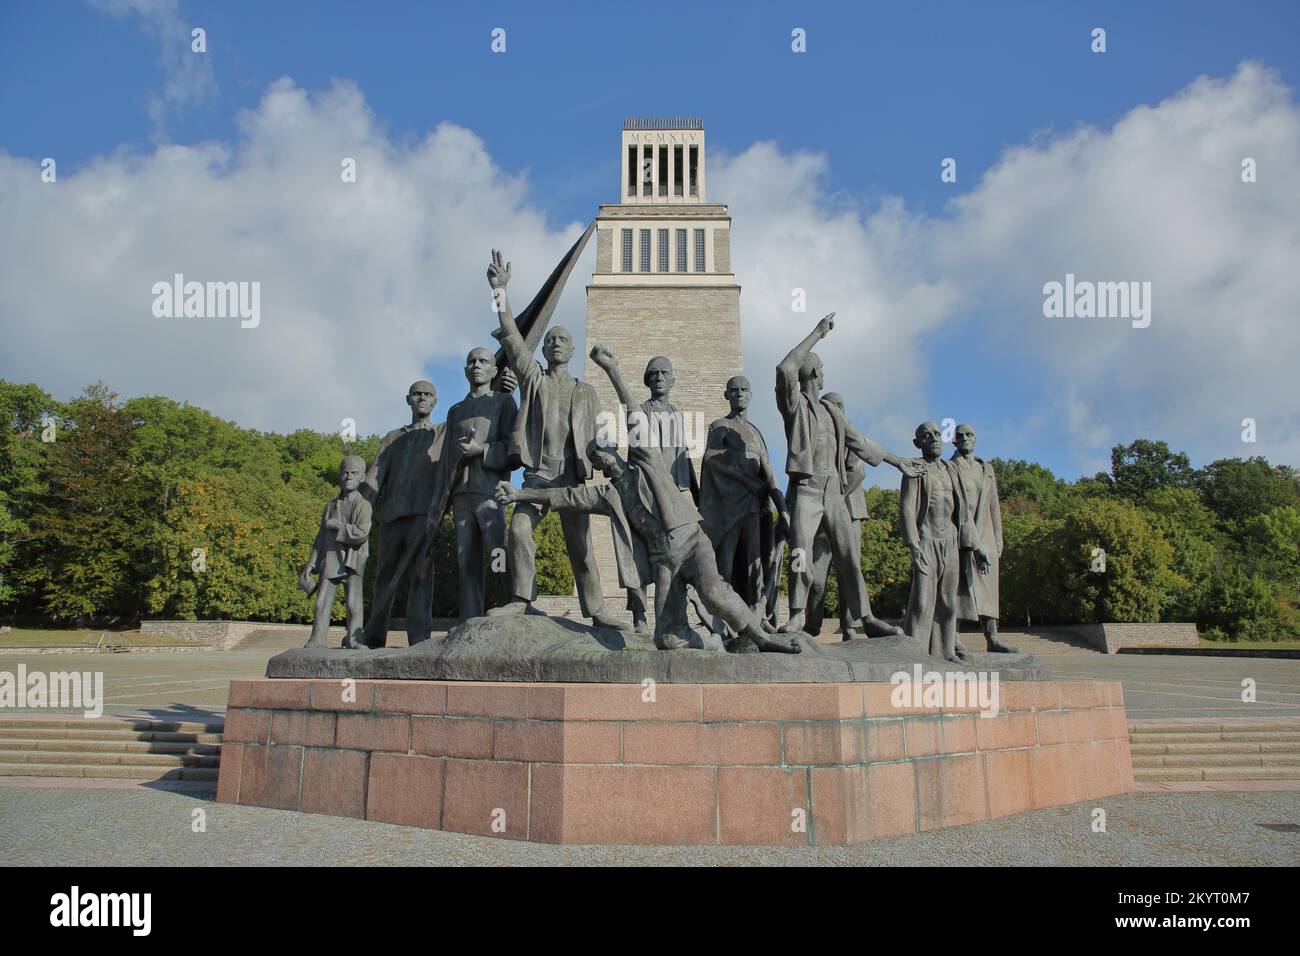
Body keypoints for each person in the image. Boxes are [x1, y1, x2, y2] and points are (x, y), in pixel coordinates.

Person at [493, 343, 800, 655]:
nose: (603, 459)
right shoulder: (608, 493)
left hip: (692, 542)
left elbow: (634, 415)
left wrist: (612, 370)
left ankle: (762, 637)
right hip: (665, 559)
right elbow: (566, 496)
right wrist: (519, 493)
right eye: (596, 459)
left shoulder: (646, 459)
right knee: (666, 639)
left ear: (615, 450)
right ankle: (707, 642)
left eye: (604, 451)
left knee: (713, 593)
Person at [485, 249, 623, 629]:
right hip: (538, 477)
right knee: (519, 529)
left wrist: (612, 467)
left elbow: (598, 441)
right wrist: (500, 292)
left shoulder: (586, 391)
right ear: (543, 351)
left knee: (580, 549)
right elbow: (513, 339)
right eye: (551, 340)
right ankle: (520, 599)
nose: (558, 343)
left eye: (564, 339)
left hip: (572, 478)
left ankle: (595, 610)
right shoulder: (535, 380)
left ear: (573, 350)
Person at [775, 313, 920, 636]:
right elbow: (785, 368)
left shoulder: (832, 413)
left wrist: (899, 462)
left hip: (834, 493)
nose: (825, 375)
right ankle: (798, 613)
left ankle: (865, 618)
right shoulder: (795, 405)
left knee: (849, 557)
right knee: (800, 552)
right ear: (813, 371)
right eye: (822, 370)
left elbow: (862, 443)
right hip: (806, 490)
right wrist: (817, 333)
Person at [699, 375, 787, 628]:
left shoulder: (756, 432)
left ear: (751, 394)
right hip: (728, 508)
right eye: (733, 390)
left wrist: (783, 510)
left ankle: (756, 618)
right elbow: (711, 460)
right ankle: (720, 621)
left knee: (755, 563)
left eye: (744, 389)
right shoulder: (719, 426)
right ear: (727, 395)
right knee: (724, 564)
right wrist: (746, 481)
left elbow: (768, 471)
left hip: (754, 507)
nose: (739, 393)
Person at [362, 381, 444, 646]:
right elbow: (374, 478)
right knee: (383, 577)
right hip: (393, 516)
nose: (422, 398)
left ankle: (419, 637)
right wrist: (360, 512)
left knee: (421, 577)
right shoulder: (392, 437)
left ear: (435, 402)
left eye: (428, 395)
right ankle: (374, 636)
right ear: (408, 399)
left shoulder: (440, 435)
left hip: (424, 517)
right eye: (417, 394)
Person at [901, 421, 990, 662]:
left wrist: (978, 547)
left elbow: (963, 514)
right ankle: (916, 653)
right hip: (927, 539)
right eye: (926, 435)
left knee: (948, 601)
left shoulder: (951, 470)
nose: (933, 438)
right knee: (921, 600)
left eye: (937, 433)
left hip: (950, 539)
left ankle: (946, 652)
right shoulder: (915, 469)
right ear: (917, 443)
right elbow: (908, 509)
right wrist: (913, 544)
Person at [443, 347, 518, 621]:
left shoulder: (503, 402)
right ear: (465, 370)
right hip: (460, 493)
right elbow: (445, 459)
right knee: (466, 559)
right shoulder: (456, 411)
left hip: (489, 490)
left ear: (493, 370)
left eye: (483, 361)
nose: (476, 365)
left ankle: (516, 605)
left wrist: (481, 451)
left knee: (497, 550)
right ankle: (470, 618)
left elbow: (514, 449)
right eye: (471, 361)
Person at [805, 392, 869, 640]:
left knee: (849, 570)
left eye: (840, 406)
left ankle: (850, 626)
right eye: (831, 406)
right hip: (821, 512)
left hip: (850, 511)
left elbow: (858, 472)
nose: (836, 410)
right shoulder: (817, 433)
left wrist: (836, 497)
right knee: (817, 573)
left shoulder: (851, 436)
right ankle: (812, 624)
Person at [950, 423, 1018, 653]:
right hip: (961, 535)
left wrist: (999, 539)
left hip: (986, 536)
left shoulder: (986, 469)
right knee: (959, 587)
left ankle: (992, 638)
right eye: (960, 436)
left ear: (975, 439)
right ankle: (953, 637)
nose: (965, 438)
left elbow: (994, 507)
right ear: (954, 442)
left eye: (969, 435)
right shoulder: (951, 467)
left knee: (988, 589)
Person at [300, 455, 372, 648]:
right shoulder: (330, 505)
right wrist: (311, 564)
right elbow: (321, 537)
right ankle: (317, 638)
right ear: (340, 476)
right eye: (345, 473)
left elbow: (362, 533)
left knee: (353, 603)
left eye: (354, 473)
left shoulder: (363, 505)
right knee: (321, 601)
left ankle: (354, 639)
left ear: (362, 477)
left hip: (354, 557)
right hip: (331, 557)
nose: (349, 477)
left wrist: (337, 526)